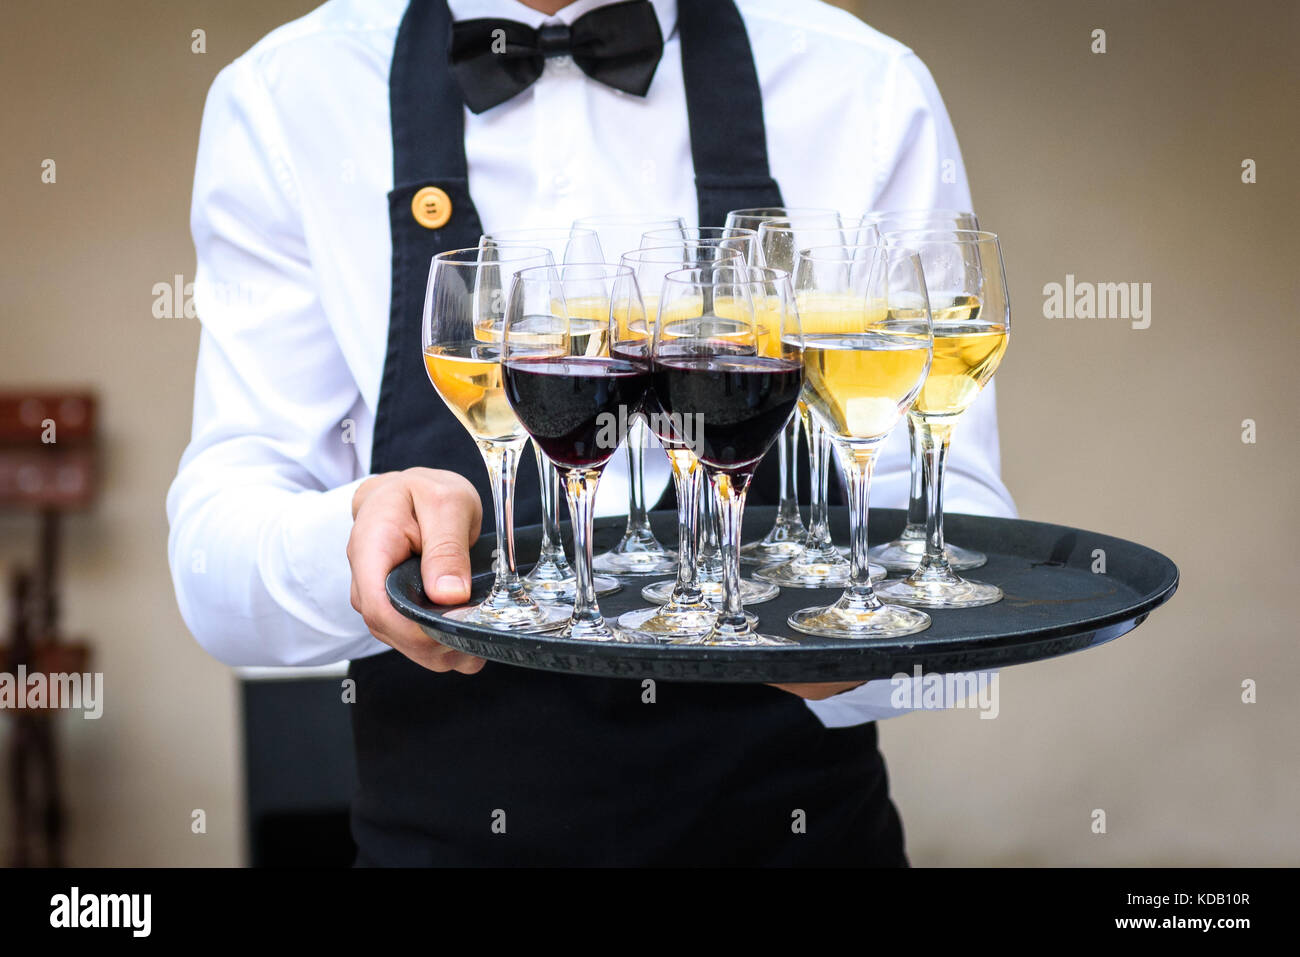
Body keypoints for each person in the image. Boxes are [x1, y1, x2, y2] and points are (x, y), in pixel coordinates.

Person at [168, 0, 1015, 865]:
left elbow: (968, 554)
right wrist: (354, 539)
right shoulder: (286, 95)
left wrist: (857, 654)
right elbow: (214, 567)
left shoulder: (862, 84)